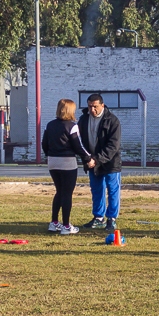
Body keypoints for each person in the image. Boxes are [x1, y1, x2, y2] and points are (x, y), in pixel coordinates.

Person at [42, 99, 94, 235]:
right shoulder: (72, 126)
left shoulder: (50, 125)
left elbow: (44, 144)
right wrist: (88, 158)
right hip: (67, 162)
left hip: (52, 161)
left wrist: (50, 154)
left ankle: (53, 223)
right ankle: (66, 225)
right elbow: (78, 145)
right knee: (67, 193)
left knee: (59, 191)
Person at [77, 93, 122, 232]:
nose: (92, 110)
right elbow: (79, 142)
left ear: (102, 105)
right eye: (90, 106)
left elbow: (113, 146)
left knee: (113, 190)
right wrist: (87, 159)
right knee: (97, 190)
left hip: (111, 163)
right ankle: (98, 218)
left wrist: (96, 160)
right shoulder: (83, 120)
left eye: (95, 106)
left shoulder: (112, 121)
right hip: (91, 163)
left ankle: (111, 219)